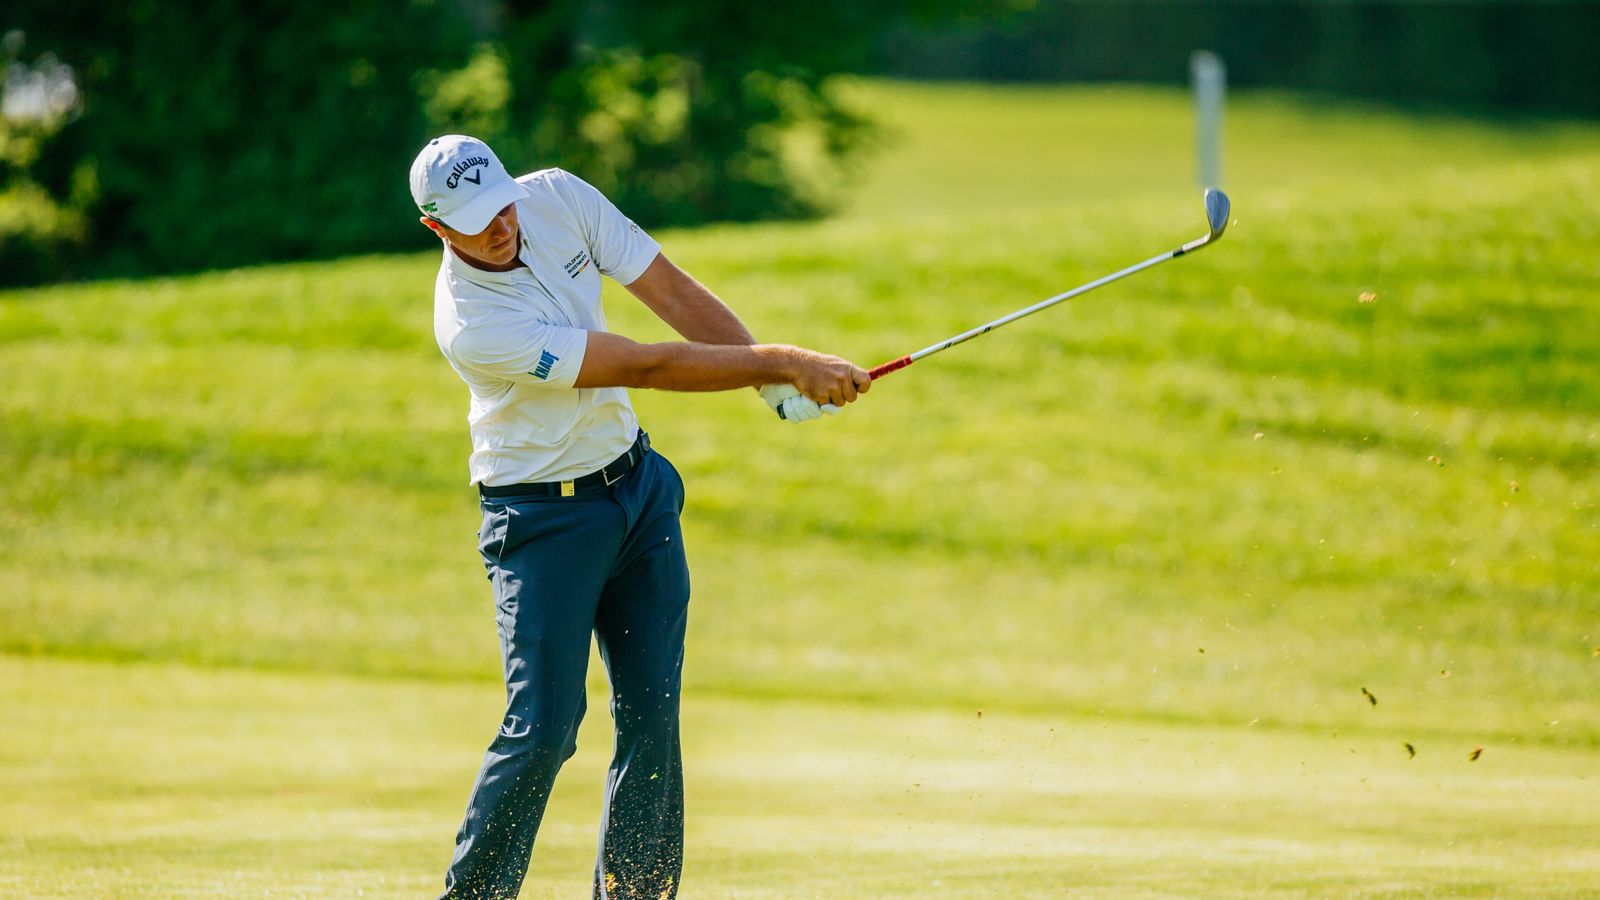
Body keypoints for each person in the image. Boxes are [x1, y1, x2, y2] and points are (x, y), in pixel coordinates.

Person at [409, 134, 870, 899]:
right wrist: (785, 361)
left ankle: (635, 895)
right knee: (544, 727)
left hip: (637, 492)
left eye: (502, 206)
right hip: (542, 521)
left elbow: (672, 293)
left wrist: (770, 385)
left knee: (653, 716)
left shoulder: (556, 196)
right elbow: (642, 365)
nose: (500, 227)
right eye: (476, 222)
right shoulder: (472, 323)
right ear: (437, 228)